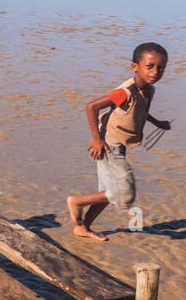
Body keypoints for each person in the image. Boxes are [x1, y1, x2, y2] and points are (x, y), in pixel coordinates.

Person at [66, 43, 173, 241]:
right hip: (108, 144)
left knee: (106, 193)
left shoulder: (149, 90)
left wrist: (158, 123)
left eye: (161, 67)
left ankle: (83, 227)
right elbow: (92, 107)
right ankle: (77, 202)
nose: (155, 72)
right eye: (150, 66)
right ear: (135, 67)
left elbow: (140, 111)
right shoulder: (125, 92)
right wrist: (96, 139)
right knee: (125, 193)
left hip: (119, 144)